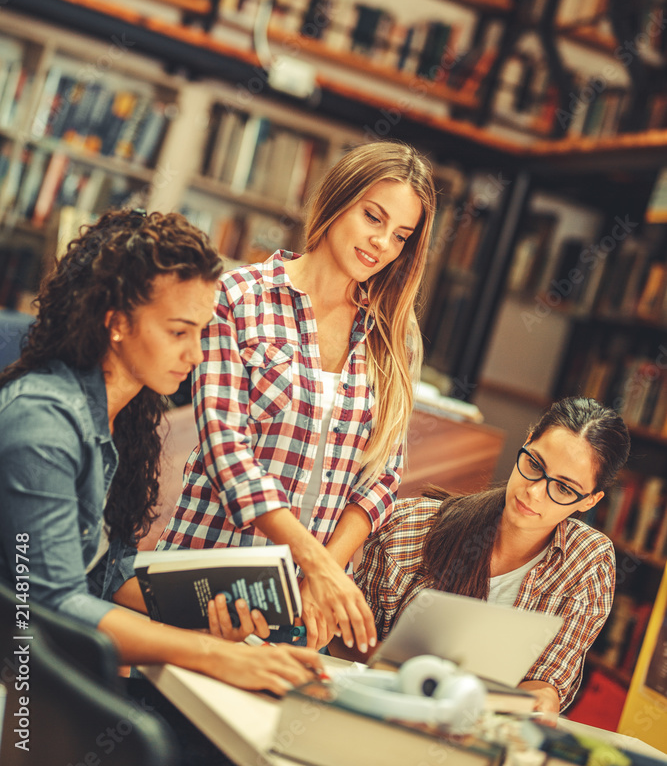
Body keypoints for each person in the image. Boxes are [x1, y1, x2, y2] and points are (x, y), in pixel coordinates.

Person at [0, 208, 320, 699]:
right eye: (178, 332)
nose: (195, 356)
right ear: (117, 323)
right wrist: (217, 655)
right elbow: (51, 603)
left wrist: (209, 612)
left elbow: (104, 570)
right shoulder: (43, 424)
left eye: (200, 332)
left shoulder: (123, 416)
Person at [160, 140, 437, 653]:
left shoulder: (398, 335)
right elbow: (227, 454)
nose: (381, 244)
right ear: (336, 199)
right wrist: (314, 562)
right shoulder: (237, 298)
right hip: (209, 575)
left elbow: (382, 478)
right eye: (373, 217)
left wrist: (322, 575)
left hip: (308, 606)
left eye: (400, 235)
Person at [352, 397, 631, 714]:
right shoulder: (410, 527)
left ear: (590, 501)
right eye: (535, 465)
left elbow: (546, 682)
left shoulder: (588, 561)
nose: (534, 491)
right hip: (382, 709)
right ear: (526, 442)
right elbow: (345, 643)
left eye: (564, 489)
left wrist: (539, 702)